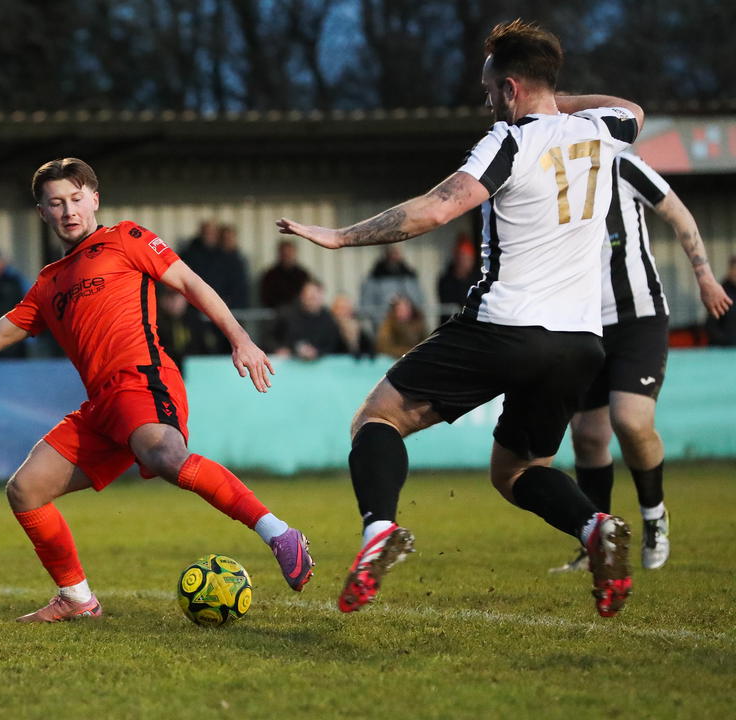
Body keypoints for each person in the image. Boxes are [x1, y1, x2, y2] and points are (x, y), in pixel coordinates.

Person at [276, 20, 644, 618]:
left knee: (377, 419)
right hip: (580, 341)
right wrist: (553, 100)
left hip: (504, 327)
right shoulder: (603, 132)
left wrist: (341, 238)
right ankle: (592, 527)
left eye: (490, 88)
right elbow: (632, 109)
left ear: (510, 88)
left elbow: (438, 208)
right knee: (518, 470)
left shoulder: (509, 139)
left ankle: (378, 530)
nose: (487, 100)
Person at [0, 158, 314, 622]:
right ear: (42, 213)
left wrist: (240, 338)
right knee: (25, 490)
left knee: (164, 455)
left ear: (94, 199)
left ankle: (279, 533)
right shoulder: (48, 283)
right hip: (101, 407)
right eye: (55, 203)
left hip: (142, 378)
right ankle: (76, 598)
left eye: (75, 199)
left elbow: (188, 281)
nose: (68, 211)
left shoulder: (126, 238)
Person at [552, 150, 732, 573]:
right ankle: (598, 542)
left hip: (639, 318)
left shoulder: (621, 165)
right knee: (588, 437)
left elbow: (677, 212)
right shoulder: (548, 176)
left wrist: (704, 275)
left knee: (629, 420)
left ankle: (654, 517)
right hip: (583, 325)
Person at [271, 278, 342, 360]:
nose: (311, 300)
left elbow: (334, 345)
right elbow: (270, 337)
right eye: (308, 296)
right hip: (289, 364)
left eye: (314, 297)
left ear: (321, 296)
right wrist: (278, 349)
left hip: (320, 367)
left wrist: (317, 352)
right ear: (301, 296)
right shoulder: (286, 314)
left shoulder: (329, 318)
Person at [358, 246, 426, 330]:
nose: (395, 257)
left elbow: (420, 300)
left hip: (410, 326)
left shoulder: (409, 277)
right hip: (383, 325)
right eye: (392, 253)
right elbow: (367, 305)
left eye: (397, 253)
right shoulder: (374, 279)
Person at [259, 240, 312, 309]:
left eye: (289, 253)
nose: (287, 256)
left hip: (299, 313)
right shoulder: (270, 275)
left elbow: (307, 295)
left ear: (294, 253)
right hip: (277, 314)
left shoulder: (303, 275)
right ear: (279, 254)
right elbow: (266, 297)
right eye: (284, 253)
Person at [437, 238, 479, 322]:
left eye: (467, 258)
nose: (462, 262)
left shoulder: (478, 281)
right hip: (450, 325)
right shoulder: (445, 280)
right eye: (461, 257)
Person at [330, 293, 374, 358]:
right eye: (340, 308)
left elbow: (369, 347)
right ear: (334, 311)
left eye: (347, 308)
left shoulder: (358, 326)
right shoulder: (330, 328)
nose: (344, 311)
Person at [706, 257, 736, 345]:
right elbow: (711, 325)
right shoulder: (720, 293)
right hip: (724, 349)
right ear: (729, 271)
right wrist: (726, 341)